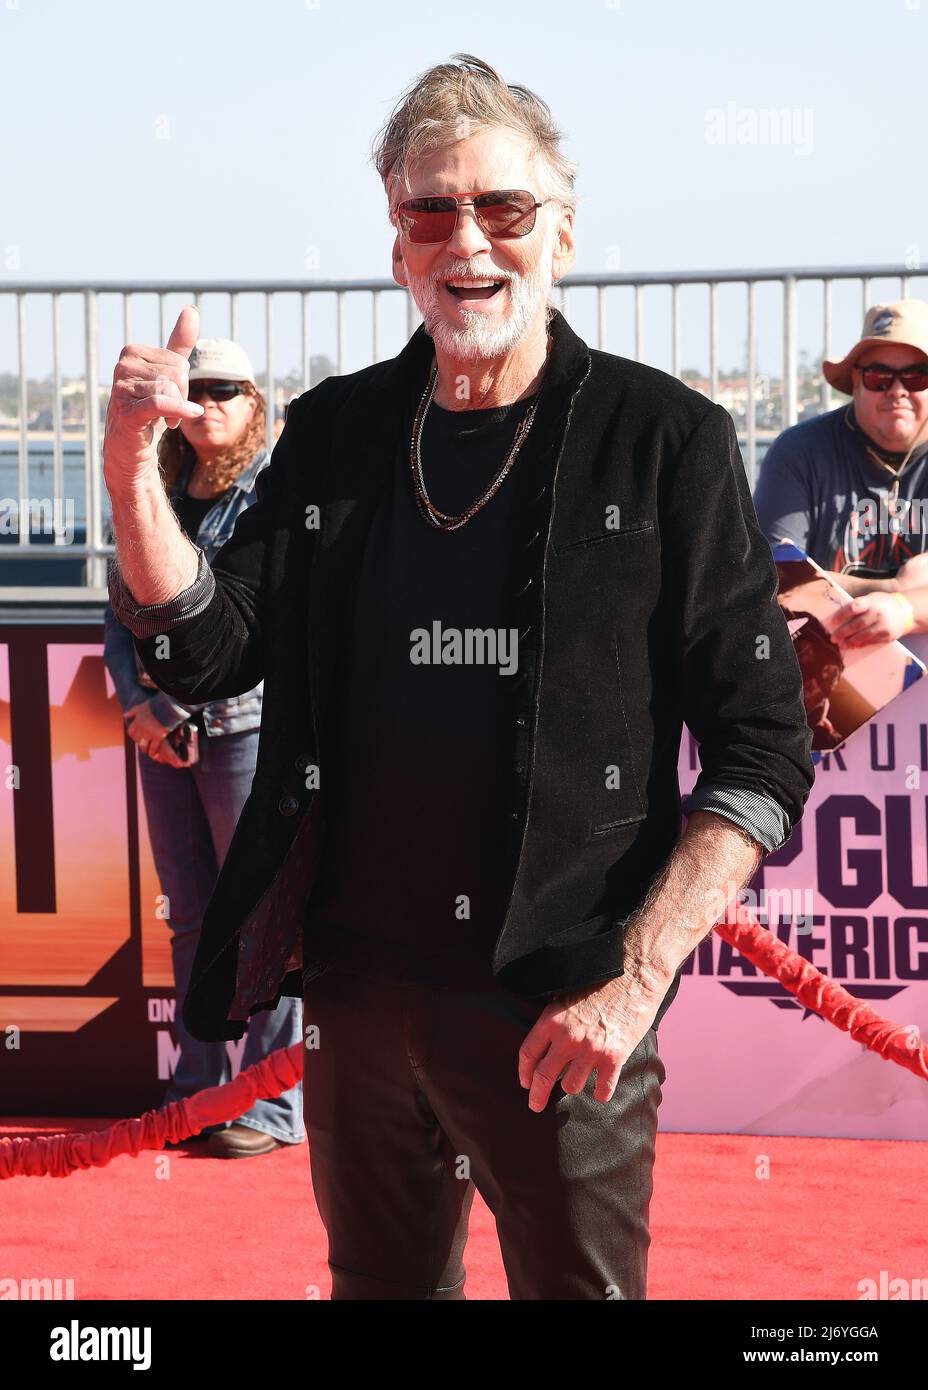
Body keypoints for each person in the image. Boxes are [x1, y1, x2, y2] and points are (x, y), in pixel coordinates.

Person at [104, 54, 813, 1298]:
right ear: (396, 245)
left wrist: (633, 982)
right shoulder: (337, 430)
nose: (467, 242)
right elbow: (208, 650)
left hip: (562, 999)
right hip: (359, 997)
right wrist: (128, 479)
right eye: (430, 211)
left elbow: (760, 749)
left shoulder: (665, 443)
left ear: (563, 235)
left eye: (503, 209)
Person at [102, 338, 304, 1160]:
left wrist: (172, 702)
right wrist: (139, 705)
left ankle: (271, 1102)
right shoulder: (155, 492)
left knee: (261, 917)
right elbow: (119, 604)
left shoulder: (272, 496)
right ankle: (194, 1089)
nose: (211, 401)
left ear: (256, 403)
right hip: (165, 735)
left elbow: (257, 618)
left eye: (230, 389)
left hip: (245, 731)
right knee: (189, 917)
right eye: (199, 388)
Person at [754, 299, 928, 663]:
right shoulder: (800, 451)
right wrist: (895, 592)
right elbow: (773, 577)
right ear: (855, 381)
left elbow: (801, 581)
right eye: (879, 377)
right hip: (829, 662)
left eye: (917, 376)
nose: (897, 391)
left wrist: (906, 611)